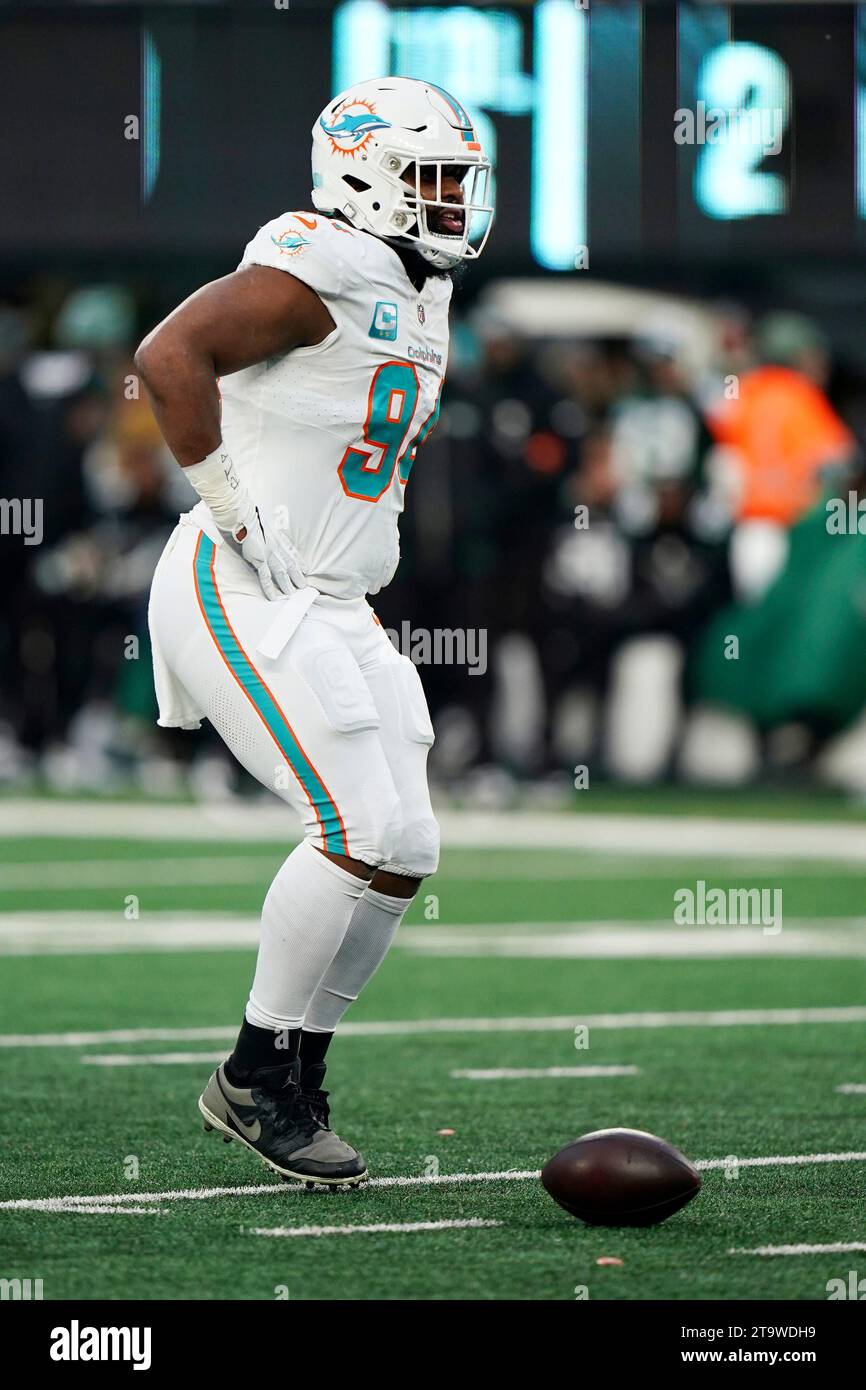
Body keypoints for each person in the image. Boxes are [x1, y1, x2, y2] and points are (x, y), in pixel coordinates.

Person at [136, 78, 493, 1187]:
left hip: (332, 599)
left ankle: (295, 1070)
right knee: (350, 825)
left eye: (456, 181)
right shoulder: (320, 262)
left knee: (405, 849)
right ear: (365, 178)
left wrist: (349, 579)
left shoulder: (417, 286)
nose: (450, 201)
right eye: (429, 179)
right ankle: (252, 1076)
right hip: (240, 579)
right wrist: (231, 505)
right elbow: (166, 357)